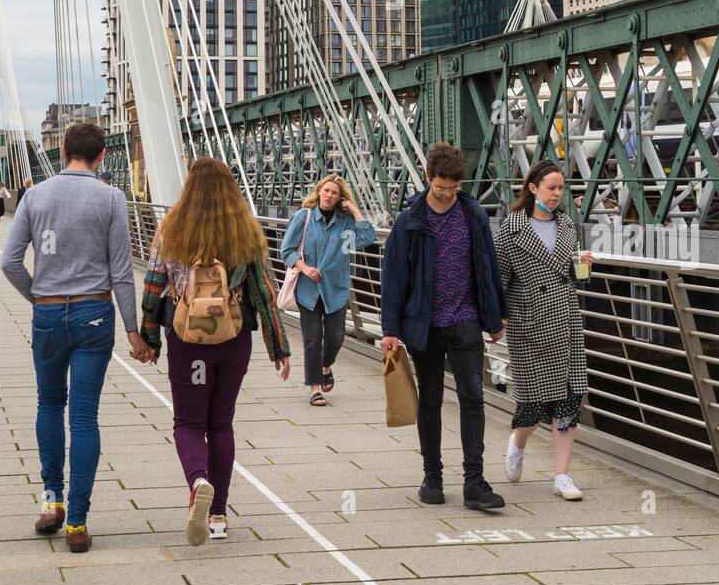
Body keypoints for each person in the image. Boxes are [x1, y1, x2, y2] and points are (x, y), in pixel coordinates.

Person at [1, 121, 151, 552]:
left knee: (49, 403)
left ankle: (52, 501)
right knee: (84, 416)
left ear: (64, 150)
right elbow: (122, 272)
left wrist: (40, 298)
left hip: (48, 313)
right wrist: (133, 330)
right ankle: (78, 523)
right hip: (94, 313)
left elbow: (10, 262)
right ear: (102, 154)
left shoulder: (35, 195)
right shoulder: (111, 198)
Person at [139, 157, 291, 545]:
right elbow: (264, 292)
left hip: (188, 343)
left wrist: (150, 336)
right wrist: (278, 347)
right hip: (232, 338)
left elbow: (154, 284)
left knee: (189, 423)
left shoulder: (171, 228)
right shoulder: (245, 230)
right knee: (221, 423)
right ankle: (219, 514)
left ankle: (198, 481)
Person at [380, 142, 508, 512]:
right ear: (427, 179)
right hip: (426, 324)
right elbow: (394, 278)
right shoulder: (409, 222)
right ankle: (432, 477)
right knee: (431, 399)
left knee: (473, 396)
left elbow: (488, 264)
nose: (448, 194)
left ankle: (474, 481)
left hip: (466, 318)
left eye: (453, 188)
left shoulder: (474, 215)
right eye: (441, 188)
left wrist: (496, 312)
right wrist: (390, 328)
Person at [493, 160, 593, 502]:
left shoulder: (566, 225)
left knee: (568, 400)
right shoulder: (511, 229)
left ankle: (562, 475)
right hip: (528, 324)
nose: (556, 194)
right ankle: (518, 444)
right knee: (533, 403)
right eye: (551, 187)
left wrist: (584, 268)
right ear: (533, 188)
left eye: (560, 188)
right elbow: (499, 280)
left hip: (565, 320)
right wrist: (499, 319)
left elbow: (575, 278)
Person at [280, 173, 376, 406]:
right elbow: (287, 250)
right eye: (326, 191)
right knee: (312, 338)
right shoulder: (304, 217)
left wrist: (353, 209)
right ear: (319, 192)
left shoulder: (344, 224)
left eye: (334, 193)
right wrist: (304, 268)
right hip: (308, 290)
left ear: (339, 197)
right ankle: (315, 389)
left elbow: (367, 238)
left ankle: (325, 366)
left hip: (336, 290)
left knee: (336, 336)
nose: (329, 195)